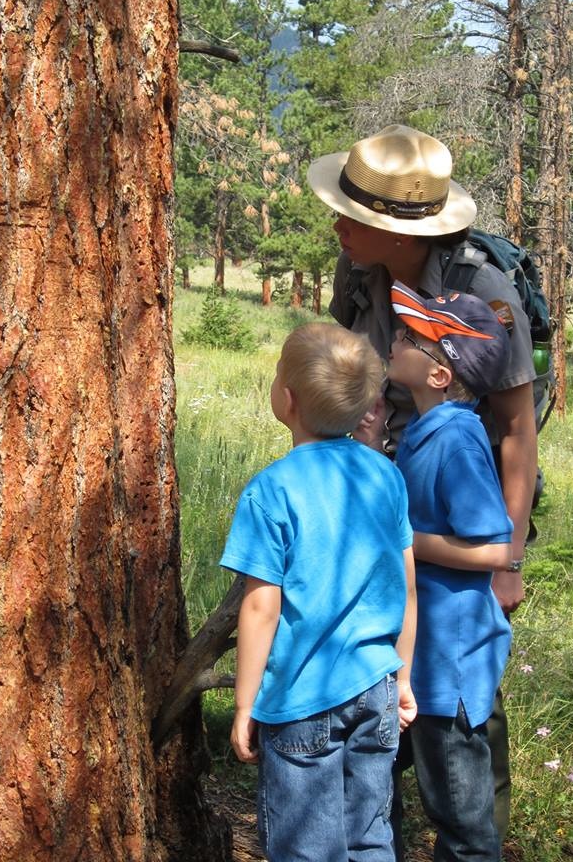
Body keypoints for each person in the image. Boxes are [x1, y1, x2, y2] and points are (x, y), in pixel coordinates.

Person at [307, 124, 537, 838]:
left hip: (460, 491)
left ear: (400, 234)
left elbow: (517, 430)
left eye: (355, 217)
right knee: (379, 660)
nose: (339, 225)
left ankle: (475, 838)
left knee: (460, 686)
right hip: (385, 490)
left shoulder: (481, 292)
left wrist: (510, 559)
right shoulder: (359, 270)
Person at [220, 322, 417, 862]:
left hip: (303, 703)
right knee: (371, 837)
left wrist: (245, 704)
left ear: (286, 399)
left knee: (308, 848)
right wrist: (402, 676)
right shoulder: (386, 476)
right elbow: (407, 588)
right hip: (376, 691)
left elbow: (261, 606)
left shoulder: (271, 491)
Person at [387, 282, 514, 861]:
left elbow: (492, 550)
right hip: (418, 659)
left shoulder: (457, 440)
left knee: (463, 827)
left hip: (450, 671)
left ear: (440, 375)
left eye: (413, 336)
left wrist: (409, 542)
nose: (396, 337)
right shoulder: (421, 430)